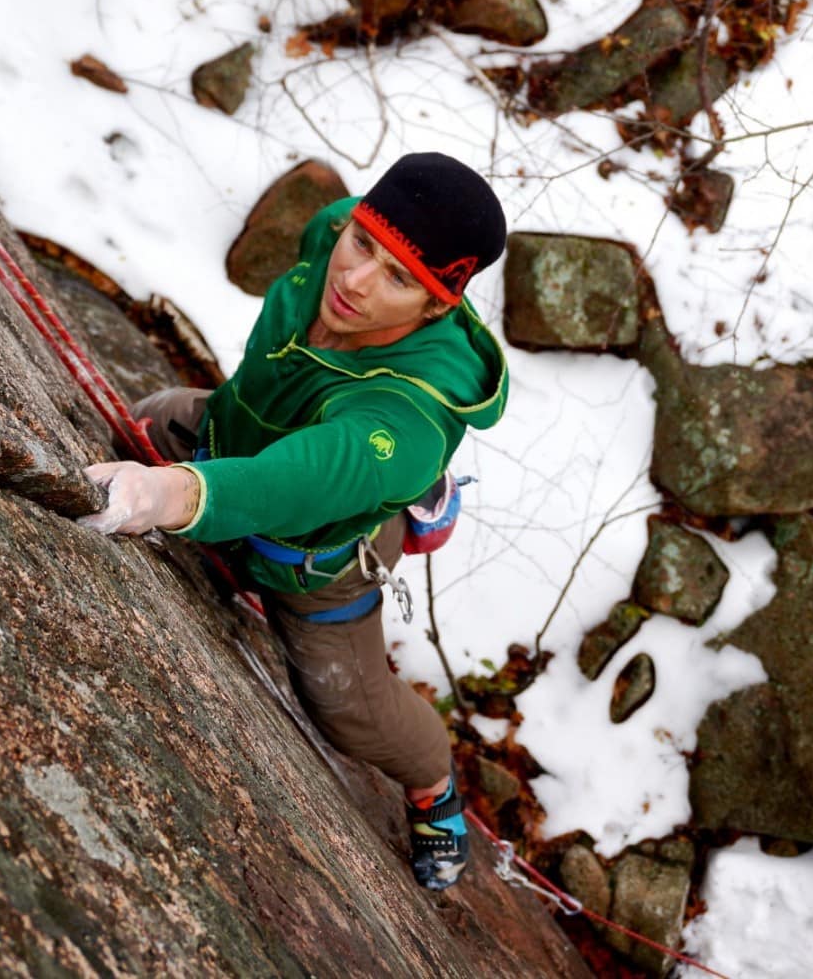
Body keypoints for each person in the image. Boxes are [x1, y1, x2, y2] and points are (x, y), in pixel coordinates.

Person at [79, 151, 508, 891]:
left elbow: (291, 482)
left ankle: (433, 788)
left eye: (399, 278)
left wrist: (163, 497)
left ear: (437, 306)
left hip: (316, 559)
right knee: (146, 419)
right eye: (363, 243)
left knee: (347, 711)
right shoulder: (331, 235)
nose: (354, 279)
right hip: (232, 430)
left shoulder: (403, 422)